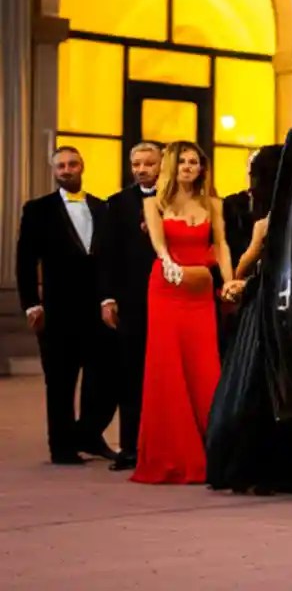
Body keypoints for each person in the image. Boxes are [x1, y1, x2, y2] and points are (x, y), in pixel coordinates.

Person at [206, 145, 292, 495]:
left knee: (256, 389)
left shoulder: (266, 223)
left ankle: (251, 468)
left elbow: (244, 265)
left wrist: (242, 281)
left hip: (265, 309)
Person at [131, 141, 243, 484]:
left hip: (199, 292)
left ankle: (213, 452)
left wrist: (229, 281)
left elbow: (221, 244)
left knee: (204, 366)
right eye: (182, 162)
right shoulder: (154, 203)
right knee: (167, 370)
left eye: (194, 162)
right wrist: (168, 263)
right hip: (166, 289)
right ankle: (172, 456)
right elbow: (158, 243)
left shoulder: (213, 203)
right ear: (171, 167)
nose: (189, 168)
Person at [15, 146, 118, 465]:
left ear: (82, 166)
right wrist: (31, 303)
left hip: (98, 309)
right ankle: (61, 447)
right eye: (60, 166)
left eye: (72, 164)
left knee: (105, 378)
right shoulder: (37, 209)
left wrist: (110, 297)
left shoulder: (102, 208)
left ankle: (88, 432)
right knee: (59, 382)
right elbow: (25, 261)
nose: (66, 170)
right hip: (56, 311)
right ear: (53, 171)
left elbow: (110, 259)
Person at [98, 141, 163, 471]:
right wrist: (108, 298)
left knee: (165, 376)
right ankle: (129, 448)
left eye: (148, 163)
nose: (141, 169)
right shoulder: (118, 203)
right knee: (131, 376)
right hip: (132, 303)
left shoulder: (174, 200)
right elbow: (106, 255)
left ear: (161, 164)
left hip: (169, 299)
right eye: (136, 163)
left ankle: (164, 446)